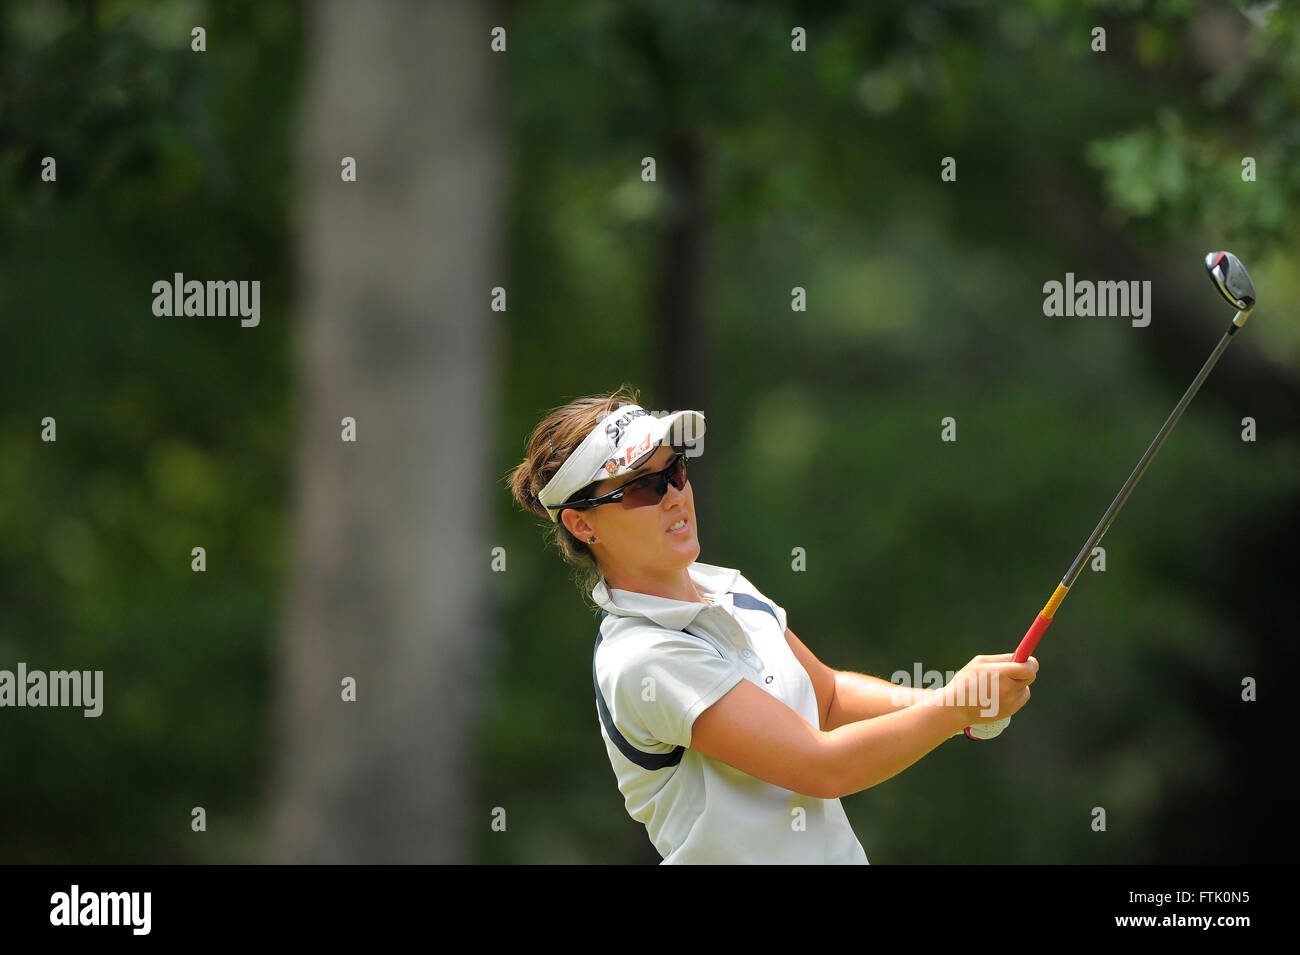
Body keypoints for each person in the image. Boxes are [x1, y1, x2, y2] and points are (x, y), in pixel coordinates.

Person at [506, 386, 1038, 864]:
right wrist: (953, 709)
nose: (675, 494)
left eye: (676, 471)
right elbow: (823, 766)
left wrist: (954, 703)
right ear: (582, 524)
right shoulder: (643, 658)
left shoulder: (725, 586)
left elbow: (826, 698)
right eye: (644, 487)